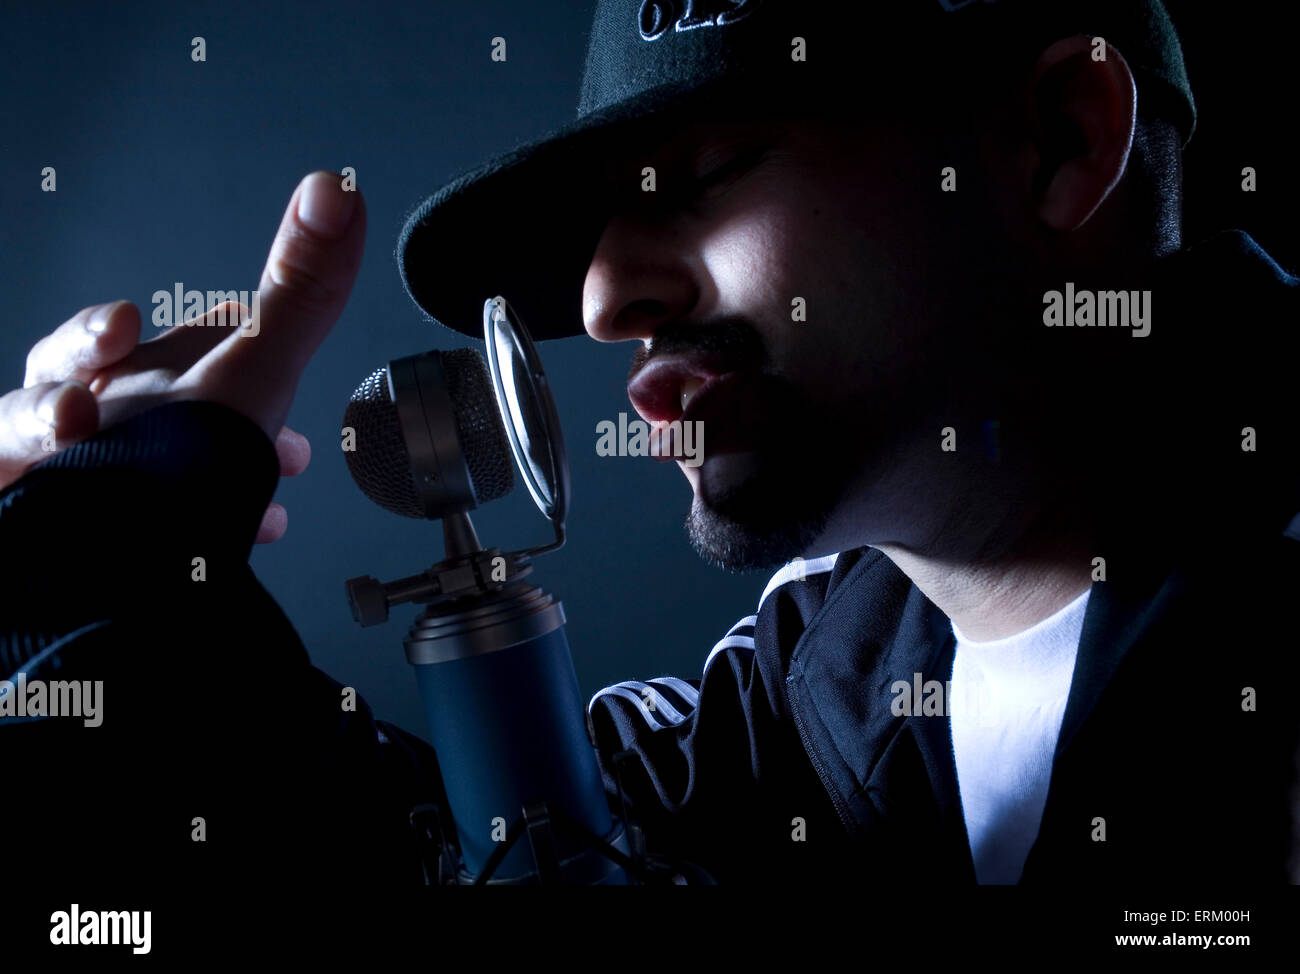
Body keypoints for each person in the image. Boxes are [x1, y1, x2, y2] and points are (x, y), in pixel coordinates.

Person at [1, 0, 1295, 895]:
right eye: (597, 226)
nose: (600, 300)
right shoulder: (802, 694)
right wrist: (81, 588)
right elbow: (438, 855)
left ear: (1062, 142)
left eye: (712, 165)